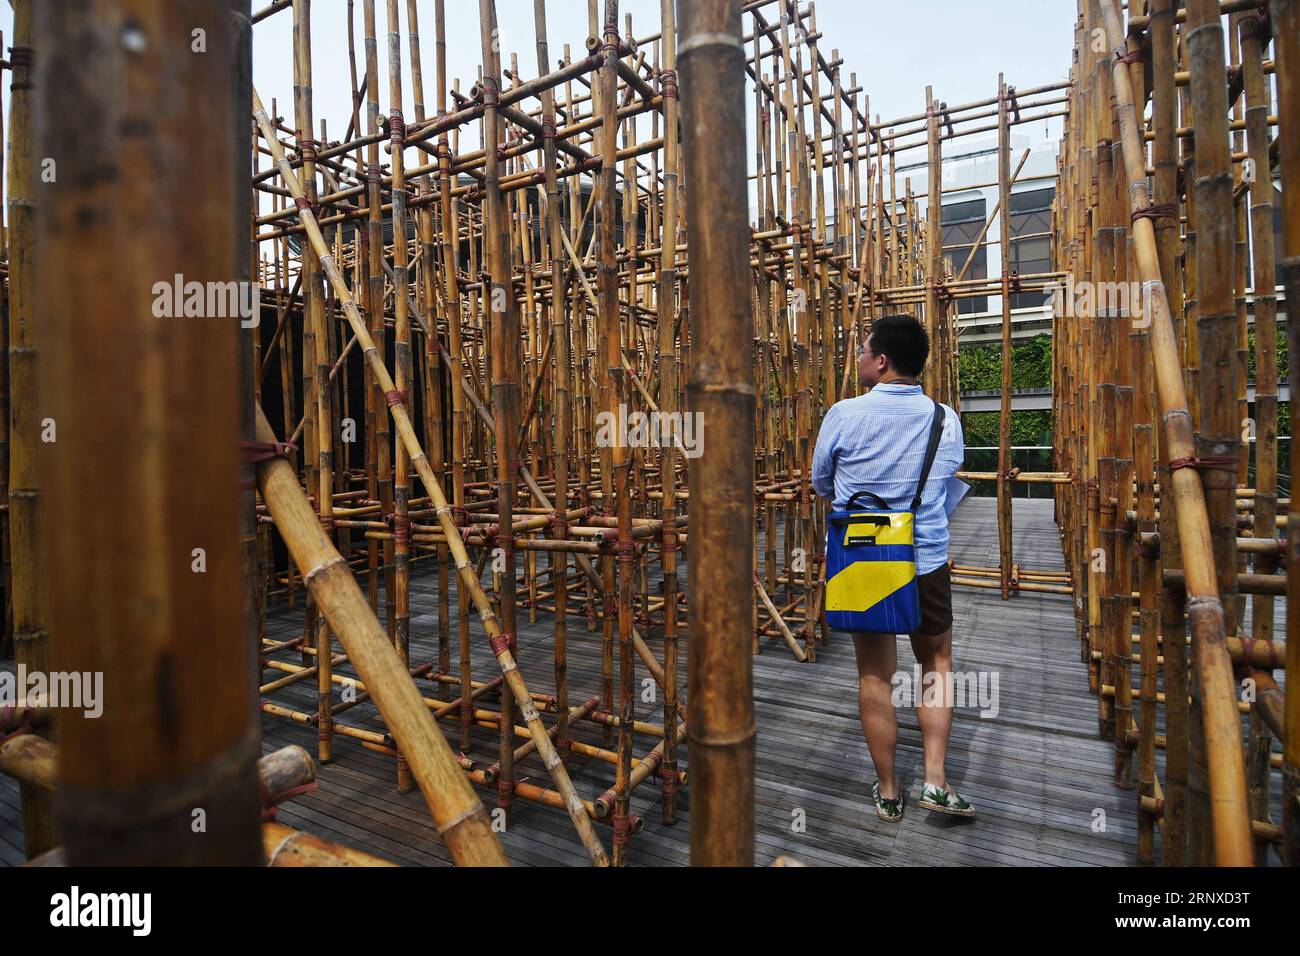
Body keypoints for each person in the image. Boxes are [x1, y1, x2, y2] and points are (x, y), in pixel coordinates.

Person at [811, 313, 973, 823]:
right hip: (924, 559)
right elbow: (949, 482)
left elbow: (821, 483)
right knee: (937, 665)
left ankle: (887, 789)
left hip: (865, 559)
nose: (858, 357)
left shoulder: (843, 414)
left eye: (862, 349)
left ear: (881, 362)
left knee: (875, 675)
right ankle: (936, 779)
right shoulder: (945, 419)